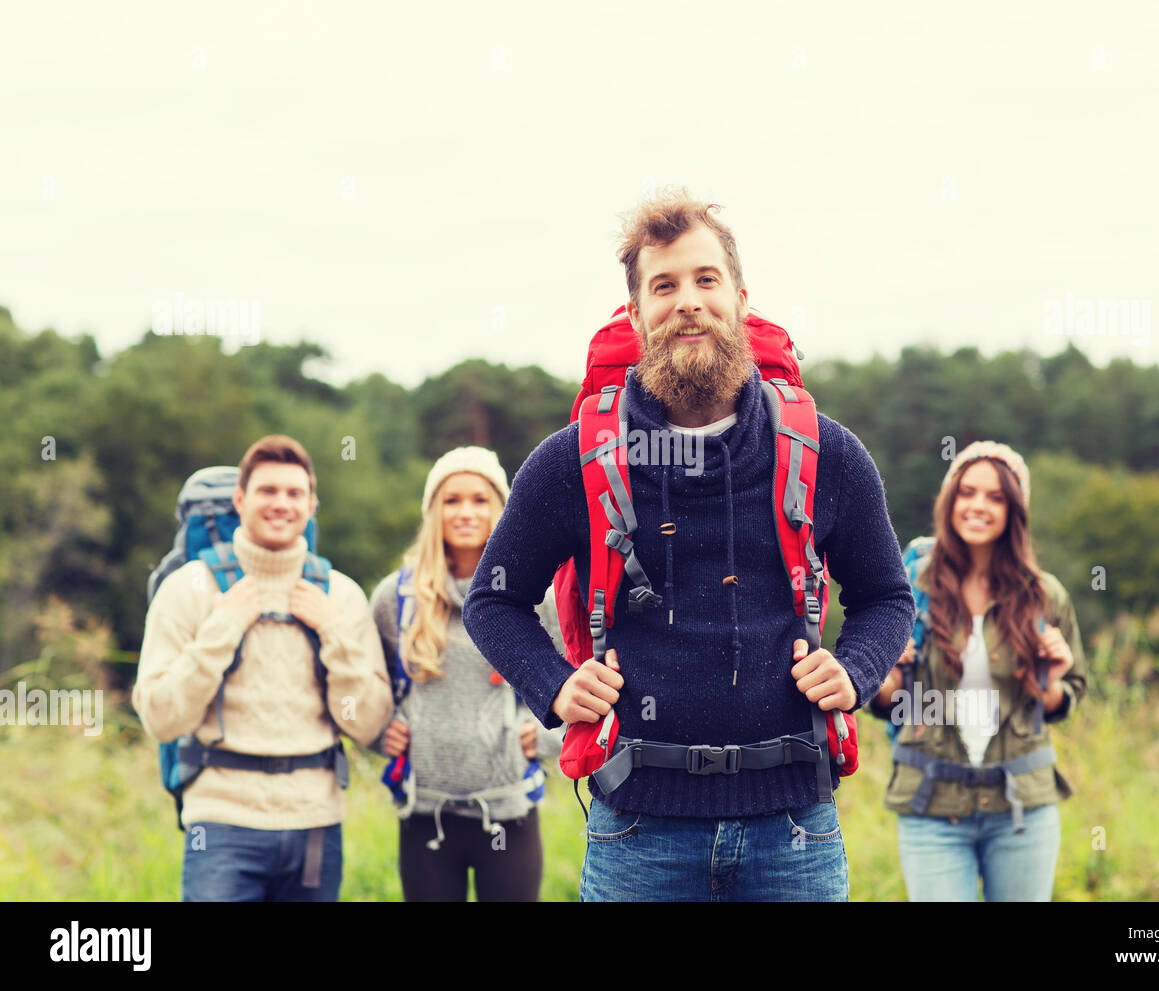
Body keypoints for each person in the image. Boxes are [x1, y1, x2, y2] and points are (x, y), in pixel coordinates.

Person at [462, 190, 915, 902]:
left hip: (793, 826)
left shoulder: (826, 451)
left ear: (739, 298)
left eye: (705, 280)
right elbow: (492, 599)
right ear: (636, 314)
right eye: (663, 285)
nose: (687, 302)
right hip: (638, 829)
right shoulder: (574, 459)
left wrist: (855, 669)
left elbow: (887, 596)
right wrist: (554, 686)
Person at [134, 434, 393, 901]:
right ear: (240, 499)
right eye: (267, 491)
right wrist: (222, 629)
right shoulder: (188, 589)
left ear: (312, 504)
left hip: (316, 824)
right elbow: (160, 716)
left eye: (294, 493)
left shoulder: (341, 595)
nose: (281, 504)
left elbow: (368, 722)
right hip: (220, 823)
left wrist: (333, 632)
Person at [867, 441, 1087, 901]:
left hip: (1022, 809)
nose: (978, 506)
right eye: (967, 492)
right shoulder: (908, 587)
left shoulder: (1045, 597)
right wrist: (889, 674)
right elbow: (884, 703)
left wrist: (1050, 677)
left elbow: (1064, 698)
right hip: (931, 805)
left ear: (1015, 510)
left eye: (996, 497)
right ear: (949, 500)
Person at [370, 446, 564, 902]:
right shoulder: (395, 598)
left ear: (501, 509)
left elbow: (572, 677)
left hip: (508, 811)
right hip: (425, 816)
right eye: (451, 500)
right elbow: (366, 682)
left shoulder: (537, 599)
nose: (465, 512)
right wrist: (380, 730)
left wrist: (546, 735)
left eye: (479, 500)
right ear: (432, 511)